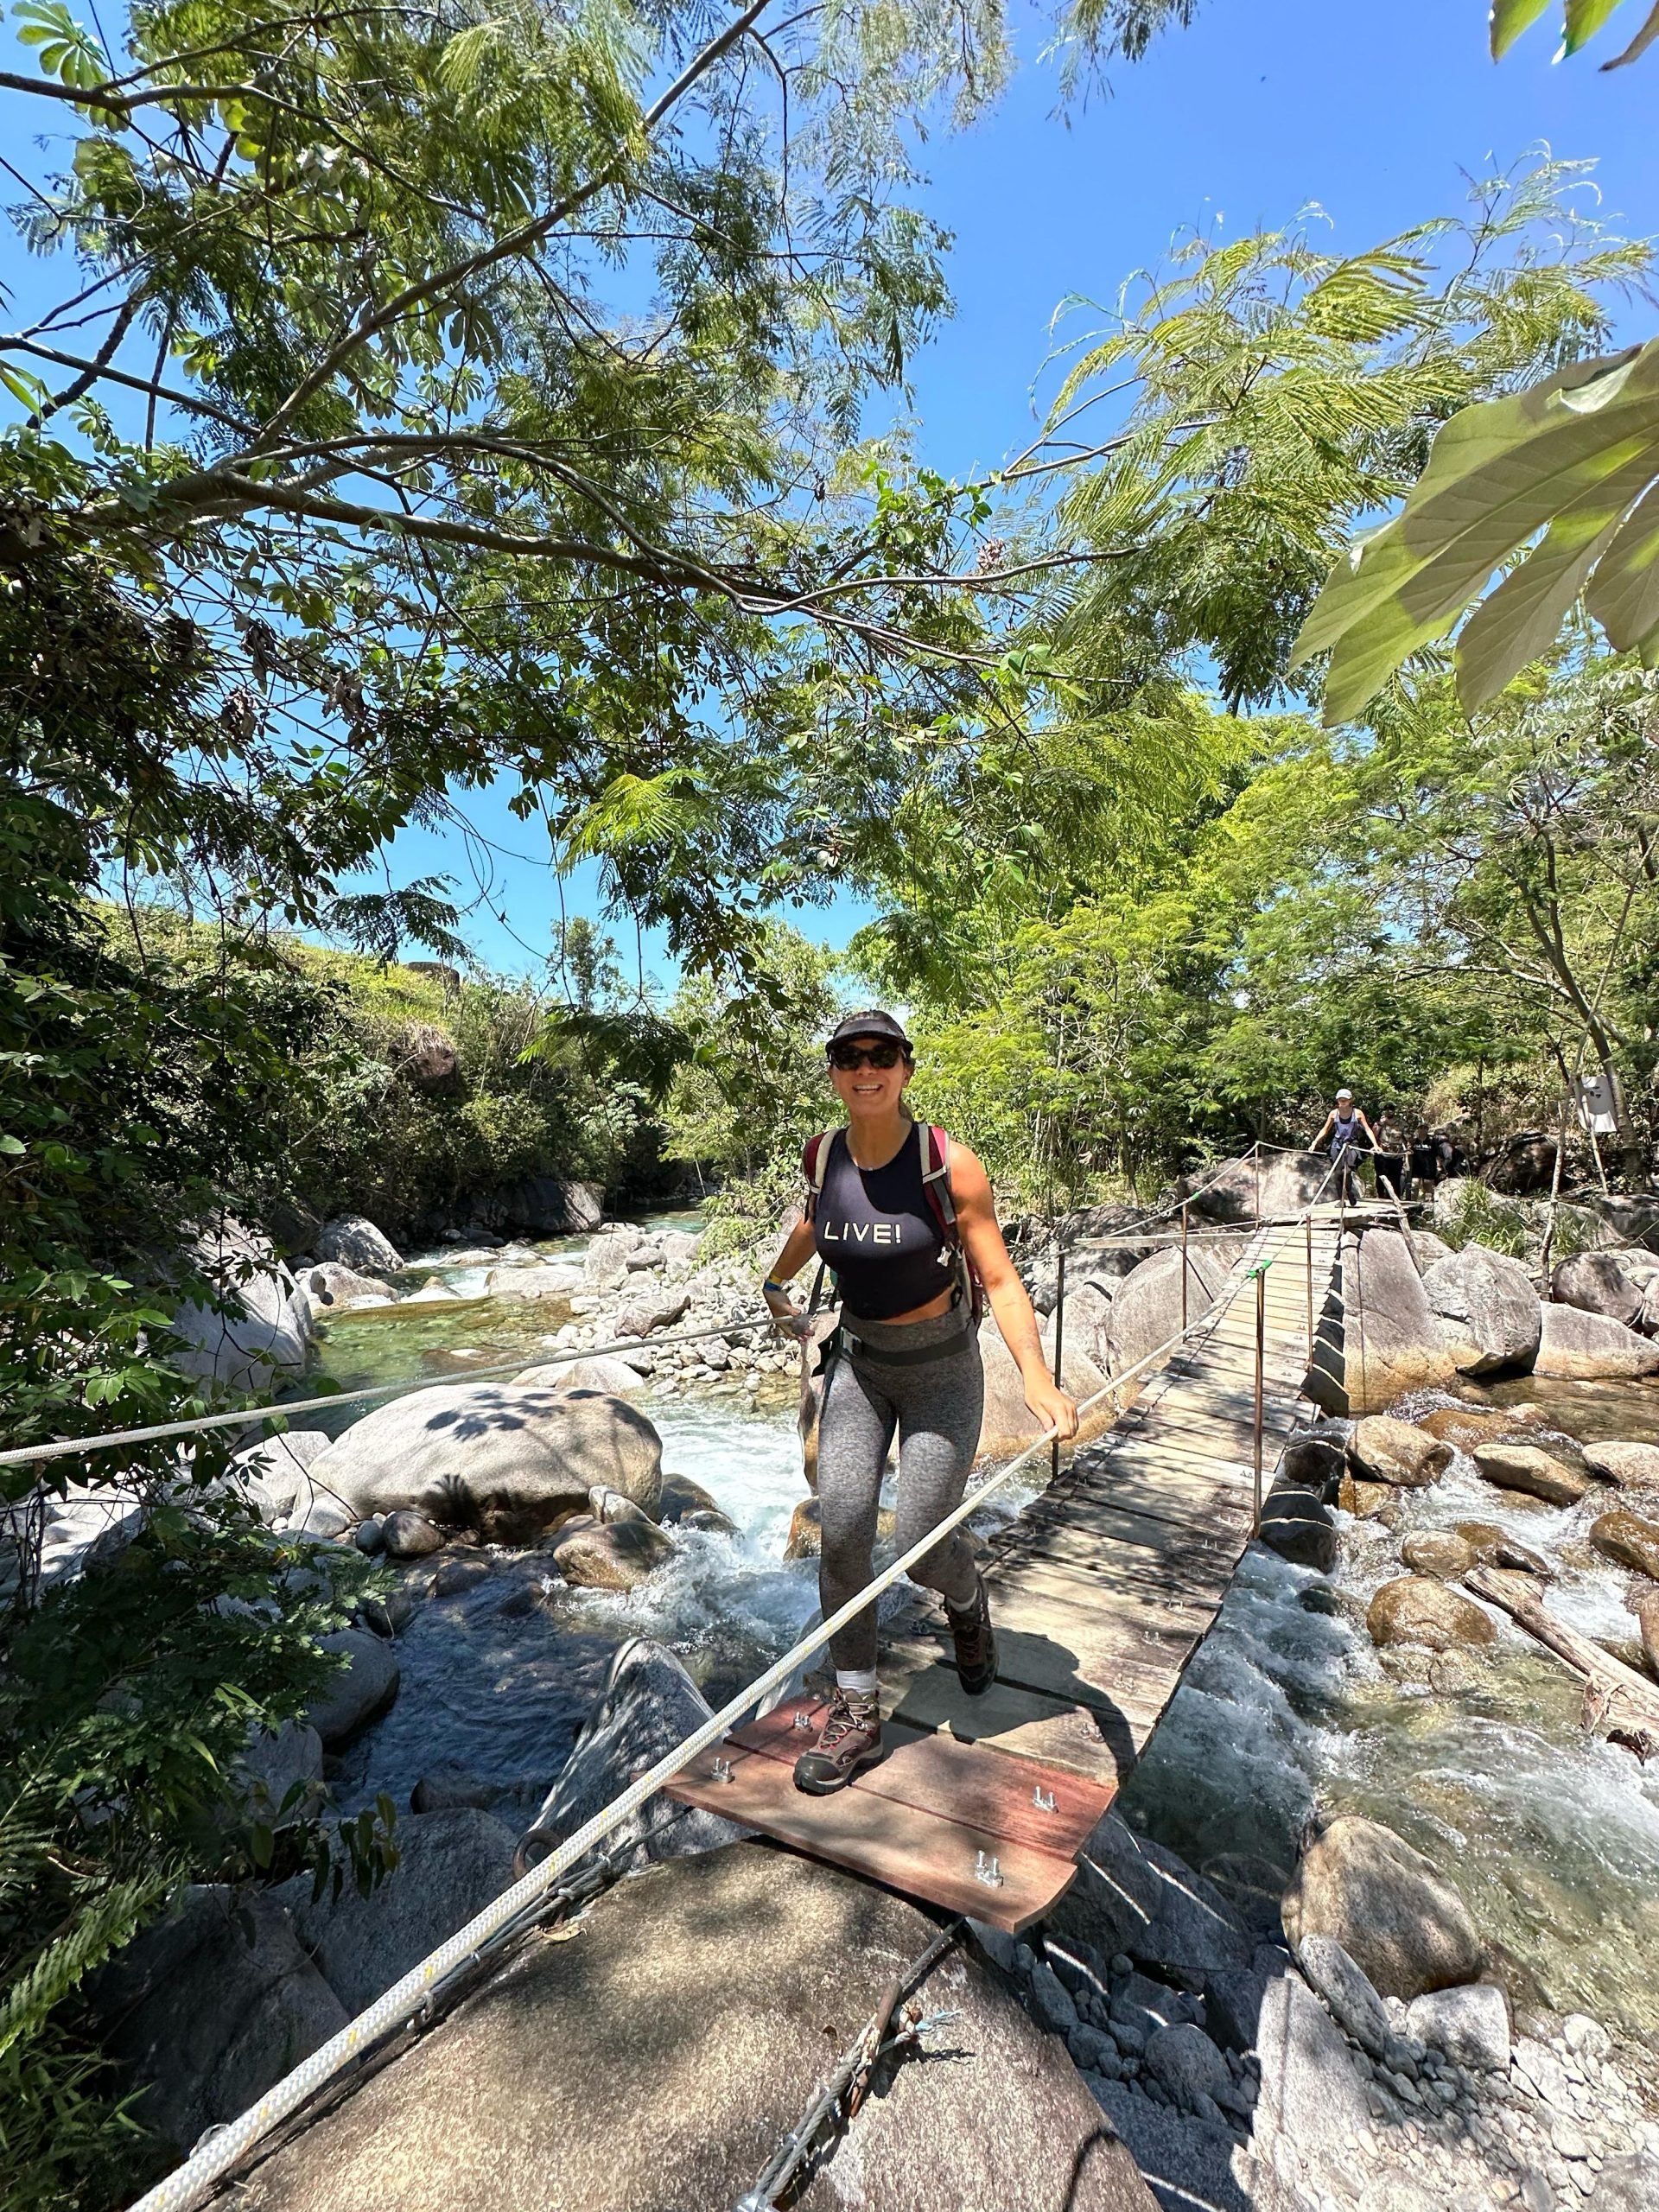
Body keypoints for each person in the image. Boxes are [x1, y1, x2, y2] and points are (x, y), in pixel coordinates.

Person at [761, 1009, 1078, 1796]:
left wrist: (1035, 1378)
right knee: (841, 1532)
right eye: (848, 1056)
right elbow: (815, 1220)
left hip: (942, 1371)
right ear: (833, 1070)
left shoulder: (949, 1165)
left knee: (924, 1544)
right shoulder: (823, 1153)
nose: (865, 1068)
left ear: (905, 1068)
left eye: (882, 1055)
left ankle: (968, 1603)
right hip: (860, 1369)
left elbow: (1000, 1279)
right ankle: (858, 1710)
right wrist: (776, 1280)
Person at [1309, 1086, 1375, 1205]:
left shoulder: (1358, 1113)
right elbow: (1325, 1130)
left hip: (1352, 1144)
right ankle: (1341, 1199)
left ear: (1350, 1100)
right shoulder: (1334, 1114)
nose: (1342, 1102)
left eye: (1344, 1100)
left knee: (1348, 1171)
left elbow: (1367, 1129)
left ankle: (1349, 1191)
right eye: (1340, 1100)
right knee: (1338, 1172)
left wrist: (1375, 1145)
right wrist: (1315, 1142)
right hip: (1337, 1144)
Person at [1370, 1108, 1407, 1202]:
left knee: (1396, 1179)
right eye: (1386, 1109)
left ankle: (1396, 1199)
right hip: (1382, 1154)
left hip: (1396, 1155)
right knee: (1381, 1177)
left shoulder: (1402, 1124)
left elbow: (1408, 1137)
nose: (1388, 1111)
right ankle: (1381, 1198)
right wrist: (1380, 1124)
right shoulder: (1379, 1123)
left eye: (1390, 1109)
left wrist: (1408, 1149)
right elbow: (1373, 1135)